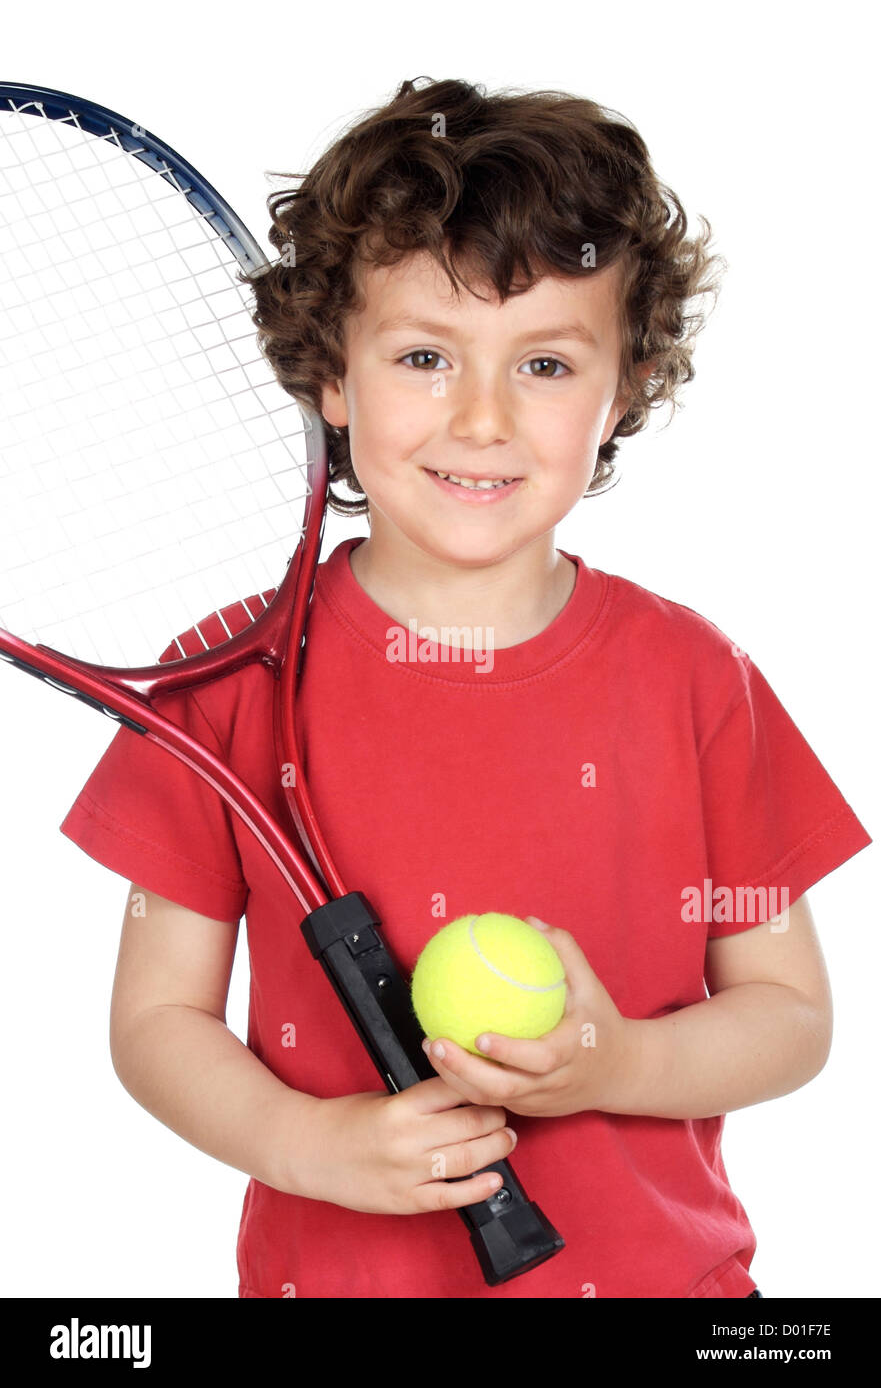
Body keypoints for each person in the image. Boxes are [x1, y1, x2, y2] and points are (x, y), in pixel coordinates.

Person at [61, 76, 871, 1299]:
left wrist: (615, 1064)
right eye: (424, 356)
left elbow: (788, 1015)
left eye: (543, 362)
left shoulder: (696, 677)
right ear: (329, 378)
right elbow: (154, 1022)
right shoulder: (230, 673)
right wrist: (311, 1146)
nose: (481, 418)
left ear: (625, 391)